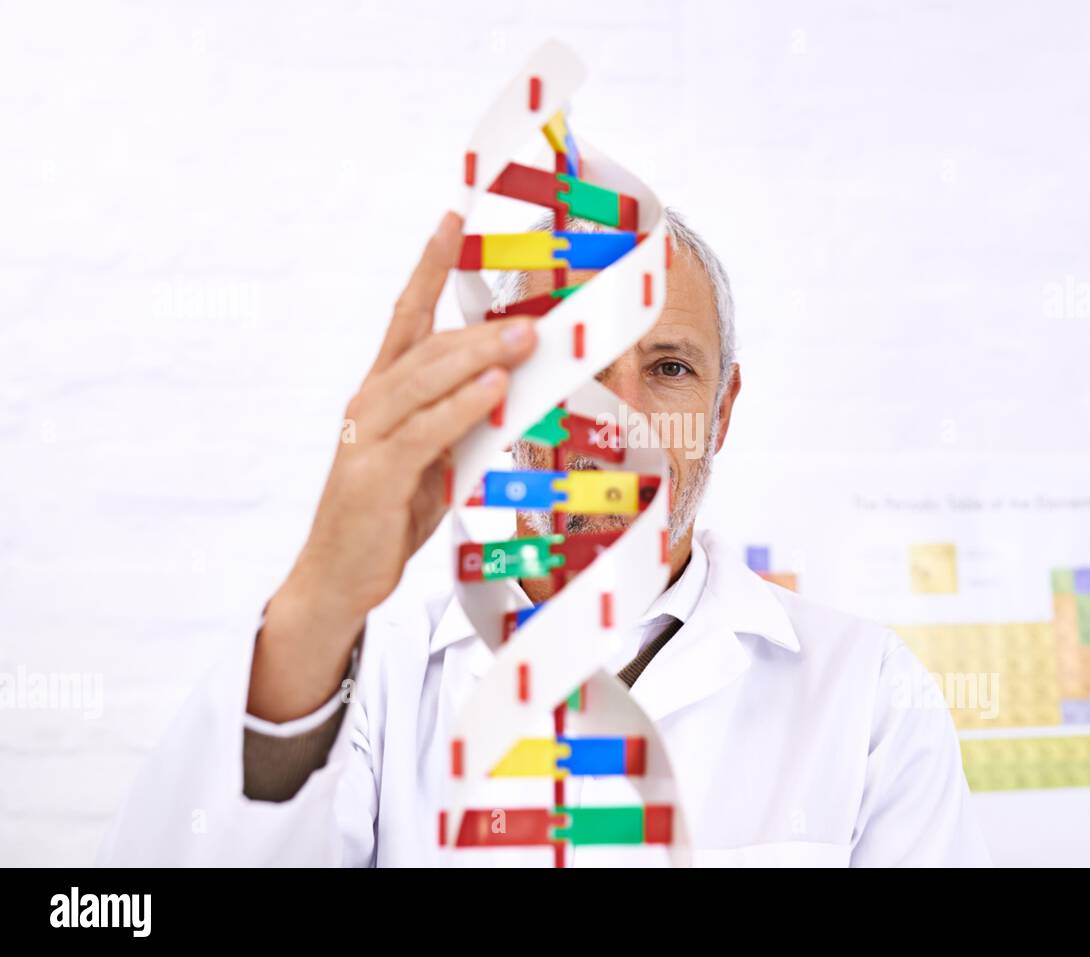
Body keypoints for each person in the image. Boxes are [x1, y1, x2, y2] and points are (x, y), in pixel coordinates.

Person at [99, 208, 992, 867]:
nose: (621, 421)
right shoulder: (373, 677)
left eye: (669, 369)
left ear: (722, 413)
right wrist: (322, 592)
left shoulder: (865, 693)